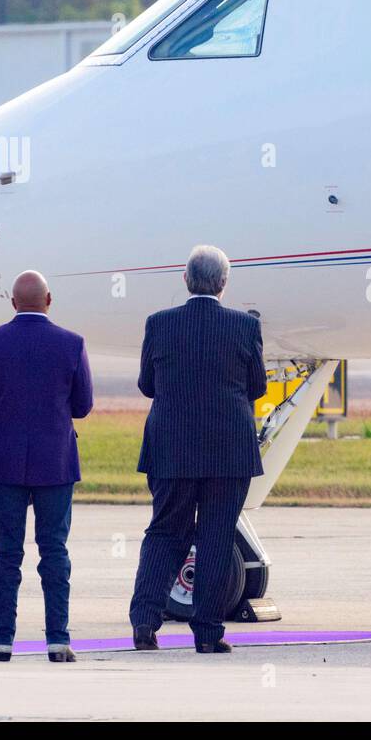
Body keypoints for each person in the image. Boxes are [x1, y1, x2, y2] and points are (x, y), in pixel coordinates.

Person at [128, 245, 267, 654]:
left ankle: (144, 623)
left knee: (164, 531)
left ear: (185, 280)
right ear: (224, 283)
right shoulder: (244, 327)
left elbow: (146, 385)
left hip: (172, 448)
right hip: (228, 450)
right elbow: (257, 386)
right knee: (216, 537)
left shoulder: (160, 324)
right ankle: (207, 633)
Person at [0, 271, 93, 663]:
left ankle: (1, 641)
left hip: (6, 460)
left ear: (12, 303)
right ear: (49, 299)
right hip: (55, 462)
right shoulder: (72, 344)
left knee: (7, 556)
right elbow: (82, 406)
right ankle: (58, 640)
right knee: (54, 552)